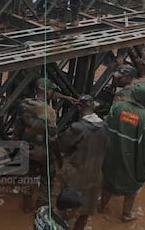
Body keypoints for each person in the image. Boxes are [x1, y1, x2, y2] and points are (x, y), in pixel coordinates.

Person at [100, 83, 145, 222]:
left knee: (108, 180)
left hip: (112, 153)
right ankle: (126, 214)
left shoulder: (118, 107)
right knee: (132, 185)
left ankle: (101, 206)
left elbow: (105, 126)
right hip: (132, 158)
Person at [58, 95, 108, 230]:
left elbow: (62, 145)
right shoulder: (105, 127)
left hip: (75, 175)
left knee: (66, 207)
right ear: (93, 106)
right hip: (94, 176)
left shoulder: (78, 128)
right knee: (85, 210)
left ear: (80, 107)